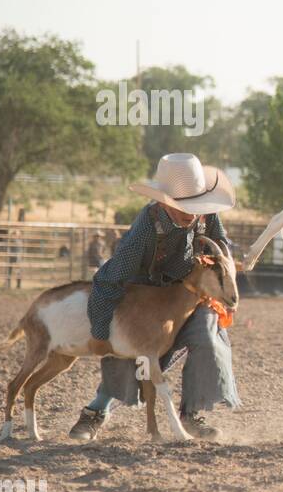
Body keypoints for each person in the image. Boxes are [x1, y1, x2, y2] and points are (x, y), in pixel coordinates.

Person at [67, 153, 241, 442]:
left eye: (195, 204)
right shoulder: (146, 227)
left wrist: (224, 265)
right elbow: (110, 277)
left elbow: (222, 245)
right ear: (163, 201)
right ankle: (97, 410)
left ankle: (191, 414)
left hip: (189, 294)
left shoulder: (207, 214)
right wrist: (100, 328)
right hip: (145, 299)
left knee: (208, 337)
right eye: (181, 205)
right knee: (127, 354)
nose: (191, 212)